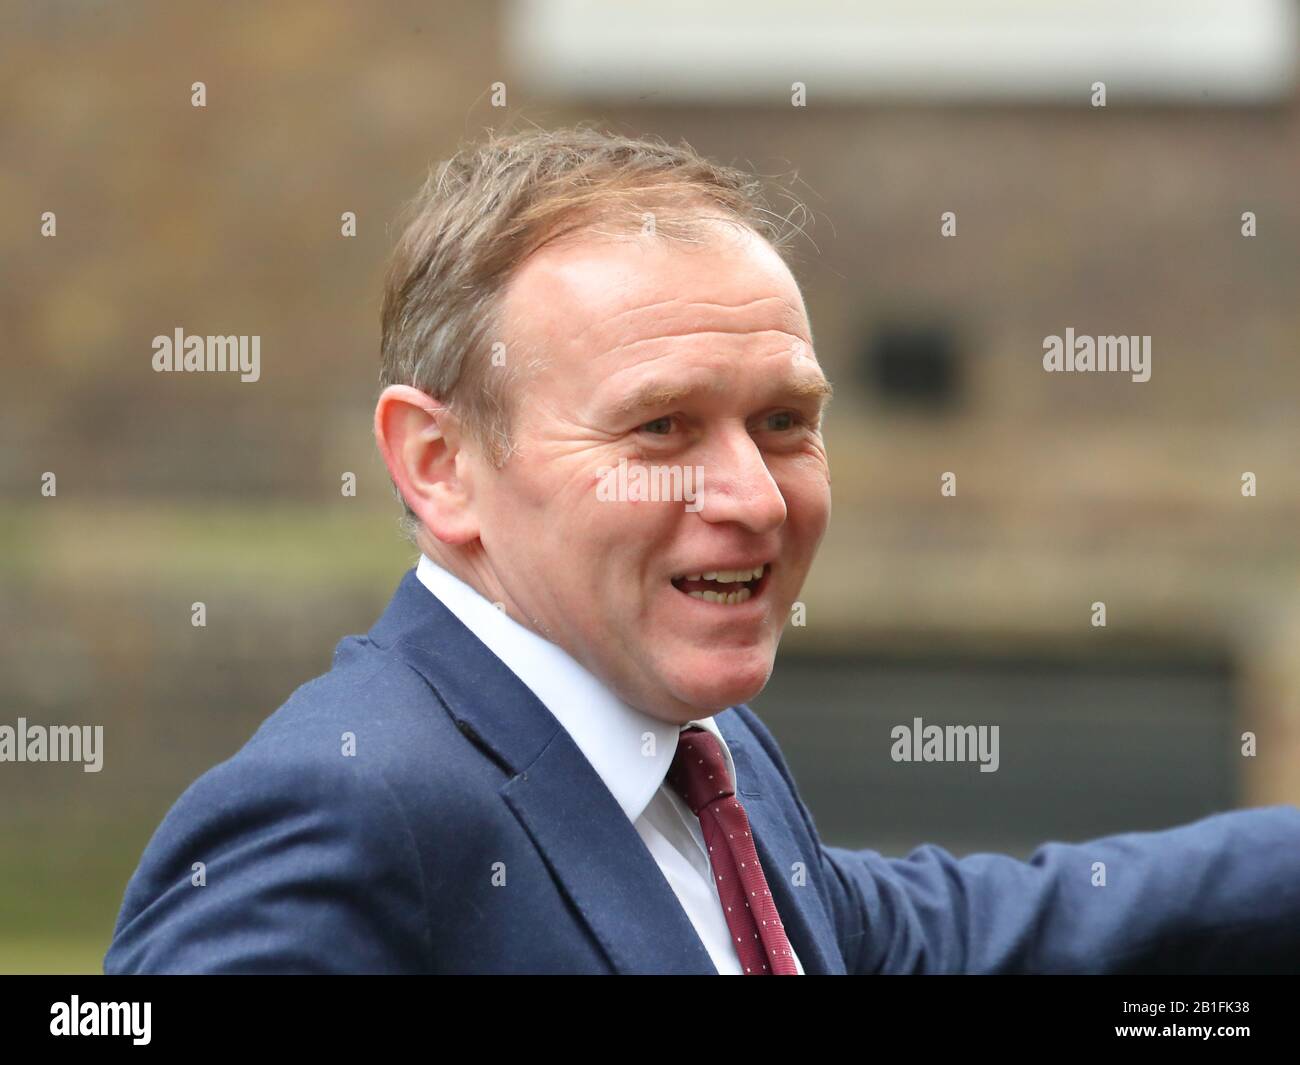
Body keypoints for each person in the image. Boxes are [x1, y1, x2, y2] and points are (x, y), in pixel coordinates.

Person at [104, 126, 1300, 974]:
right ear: (440, 464)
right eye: (661, 425)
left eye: (783, 423)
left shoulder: (694, 756)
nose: (752, 498)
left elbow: (942, 933)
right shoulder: (341, 809)